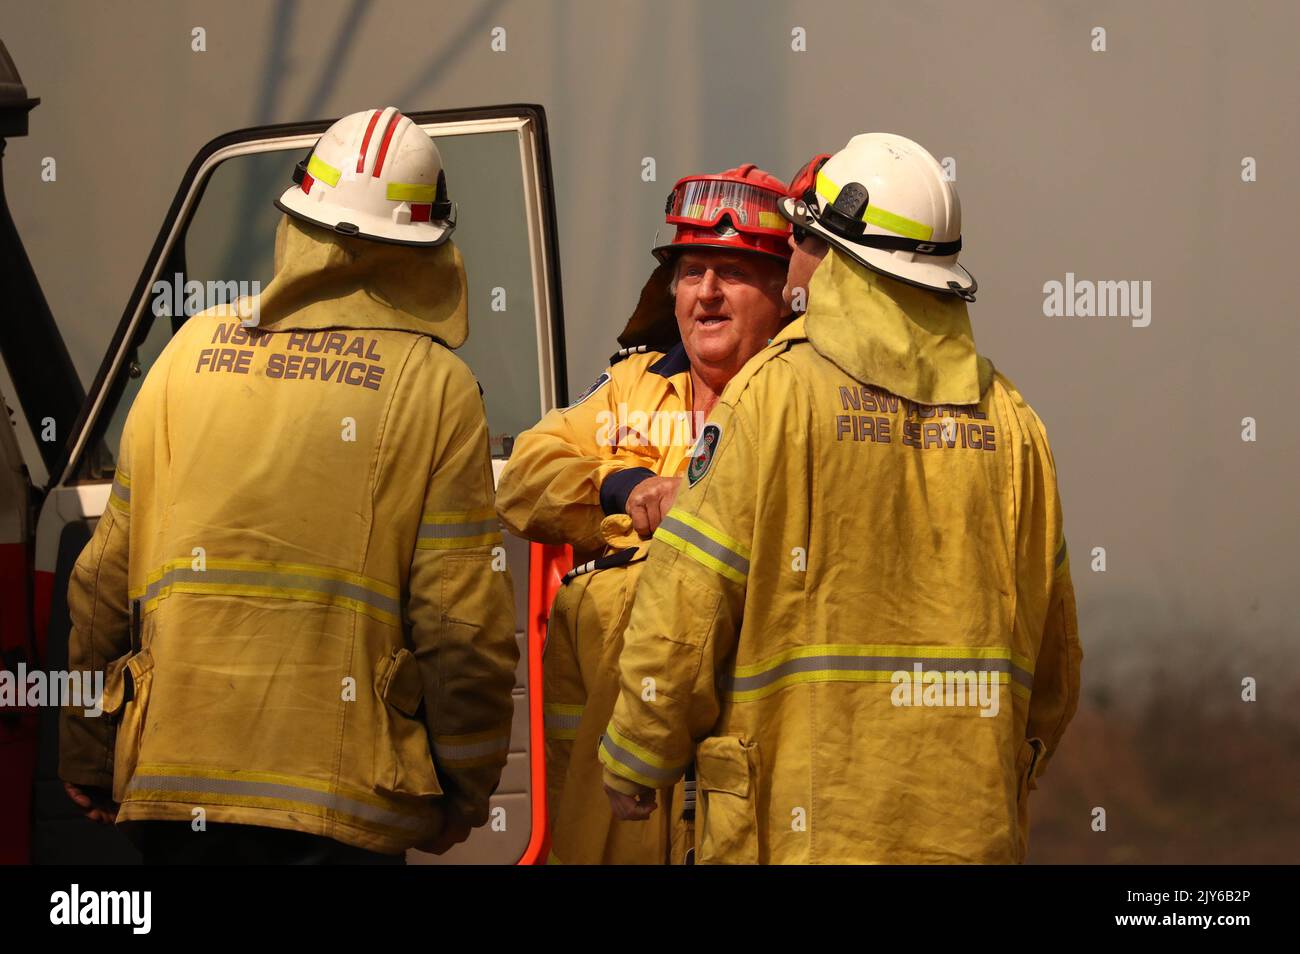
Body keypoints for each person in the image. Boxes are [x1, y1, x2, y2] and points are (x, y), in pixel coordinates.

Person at [599, 133, 1082, 864]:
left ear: (836, 254)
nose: (792, 255)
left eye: (801, 235)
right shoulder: (1015, 423)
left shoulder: (774, 396)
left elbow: (688, 602)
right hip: (967, 833)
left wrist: (637, 753)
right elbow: (1054, 661)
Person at [59, 107, 518, 864]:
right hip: (340, 806)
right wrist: (464, 789)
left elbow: (102, 584)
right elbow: (462, 626)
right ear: (427, 248)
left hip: (175, 781)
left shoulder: (187, 356)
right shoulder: (436, 389)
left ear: (297, 221)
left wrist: (86, 750)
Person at [496, 165, 793, 863]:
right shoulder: (638, 386)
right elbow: (525, 476)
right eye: (691, 272)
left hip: (753, 810)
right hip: (610, 816)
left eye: (733, 271)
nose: (707, 293)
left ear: (786, 293)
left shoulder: (798, 402)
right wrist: (623, 489)